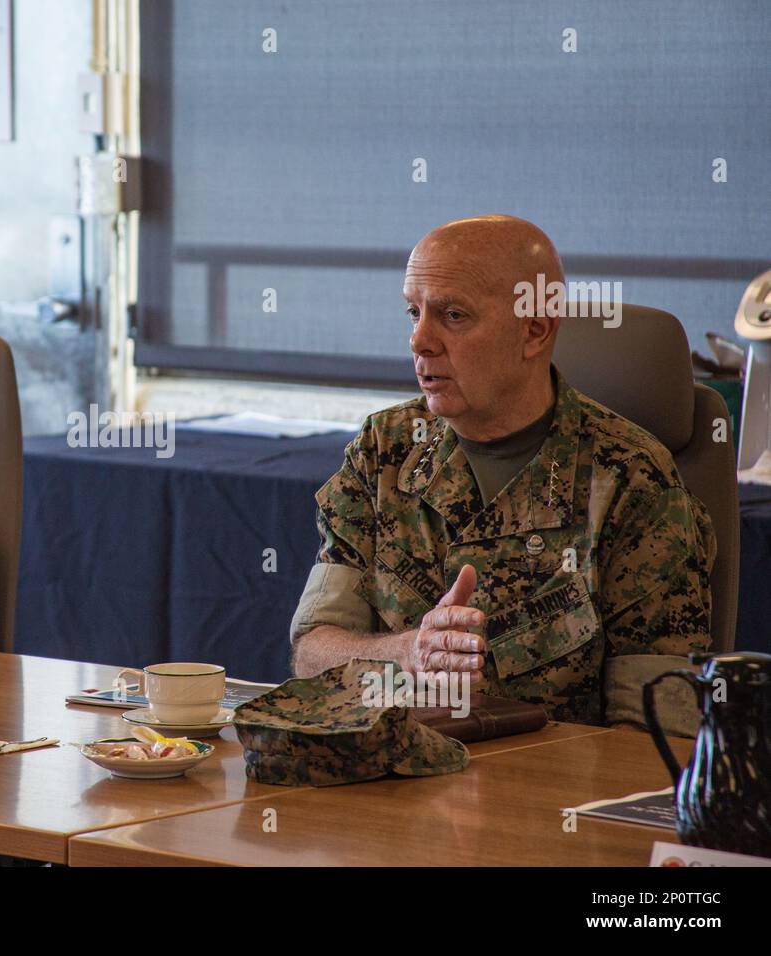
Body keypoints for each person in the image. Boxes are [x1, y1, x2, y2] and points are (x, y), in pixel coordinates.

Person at [289, 215, 714, 732]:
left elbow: (656, 733)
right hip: (391, 786)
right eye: (412, 312)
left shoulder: (631, 480)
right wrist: (408, 654)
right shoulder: (384, 450)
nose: (419, 341)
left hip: (547, 800)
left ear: (534, 330)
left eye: (452, 315)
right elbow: (312, 653)